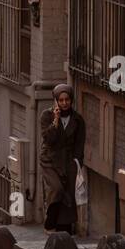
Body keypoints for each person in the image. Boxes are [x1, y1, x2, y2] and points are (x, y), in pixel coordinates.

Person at [39, 83, 86, 234]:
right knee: (57, 189)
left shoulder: (78, 120)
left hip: (68, 162)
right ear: (56, 101)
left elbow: (80, 143)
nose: (64, 103)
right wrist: (56, 120)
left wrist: (77, 162)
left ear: (71, 100)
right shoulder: (47, 116)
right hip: (50, 160)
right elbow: (48, 139)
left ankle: (65, 231)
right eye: (61, 100)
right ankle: (49, 223)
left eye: (67, 100)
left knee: (68, 196)